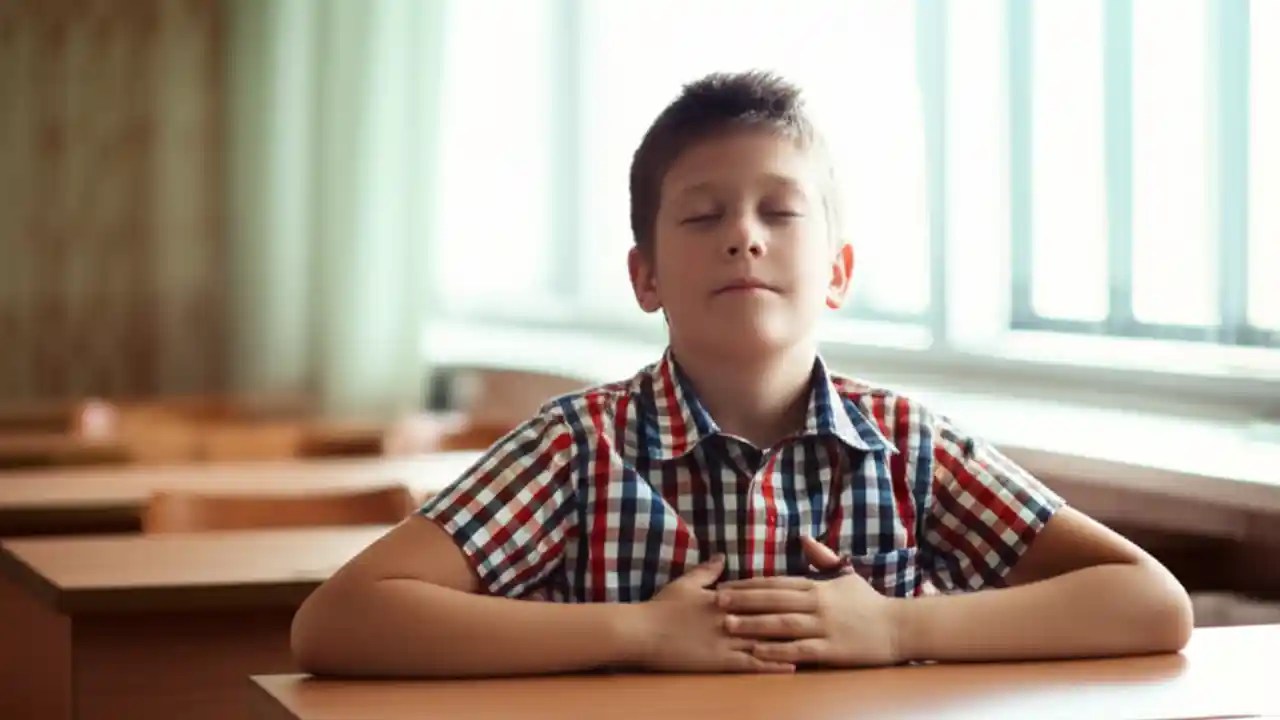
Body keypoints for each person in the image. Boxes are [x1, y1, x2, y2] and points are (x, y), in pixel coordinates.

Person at [291, 71, 1193, 677]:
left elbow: (1152, 604)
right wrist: (639, 632)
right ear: (646, 276)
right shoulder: (578, 446)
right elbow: (338, 621)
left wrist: (896, 625)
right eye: (703, 215)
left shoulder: (908, 443)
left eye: (779, 211)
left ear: (837, 273)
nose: (743, 235)